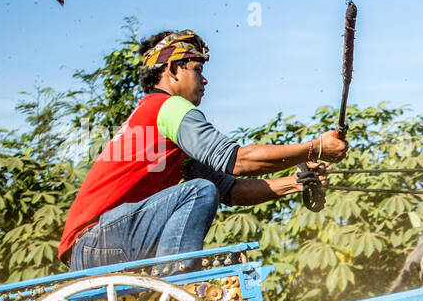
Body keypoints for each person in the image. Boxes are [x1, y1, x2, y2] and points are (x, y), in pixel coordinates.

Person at [58, 29, 346, 270]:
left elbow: (230, 190)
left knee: (205, 187)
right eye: (197, 70)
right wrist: (315, 148)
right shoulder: (168, 107)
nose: (205, 80)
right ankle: (179, 286)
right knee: (199, 190)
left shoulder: (161, 125)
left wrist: (295, 183)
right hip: (97, 243)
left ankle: (173, 287)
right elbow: (239, 161)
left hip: (93, 250)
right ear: (172, 70)